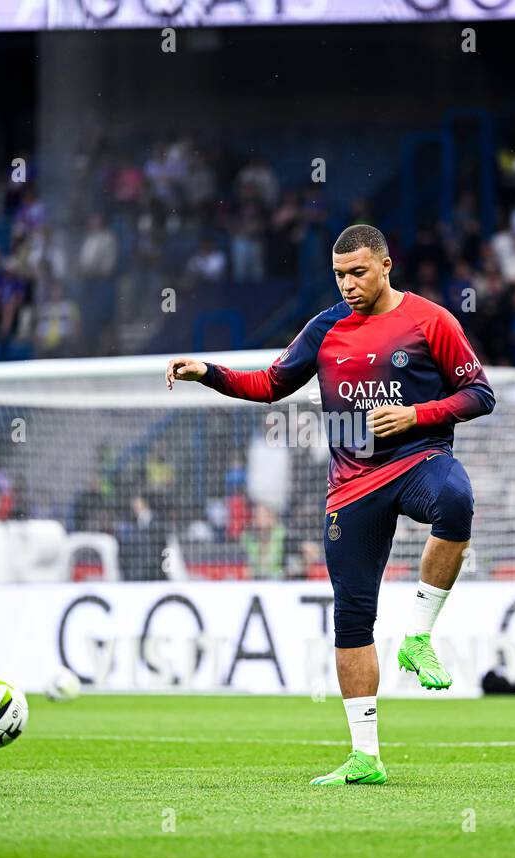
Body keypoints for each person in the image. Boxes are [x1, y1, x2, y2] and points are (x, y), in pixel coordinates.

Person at [166, 224, 494, 786]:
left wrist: (418, 415)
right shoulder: (325, 328)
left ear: (387, 266)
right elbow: (271, 384)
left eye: (358, 272)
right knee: (351, 618)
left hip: (417, 462)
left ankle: (418, 635)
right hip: (352, 488)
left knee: (456, 500)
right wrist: (209, 373)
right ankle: (365, 756)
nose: (347, 284)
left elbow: (480, 395)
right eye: (339, 274)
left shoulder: (430, 321)